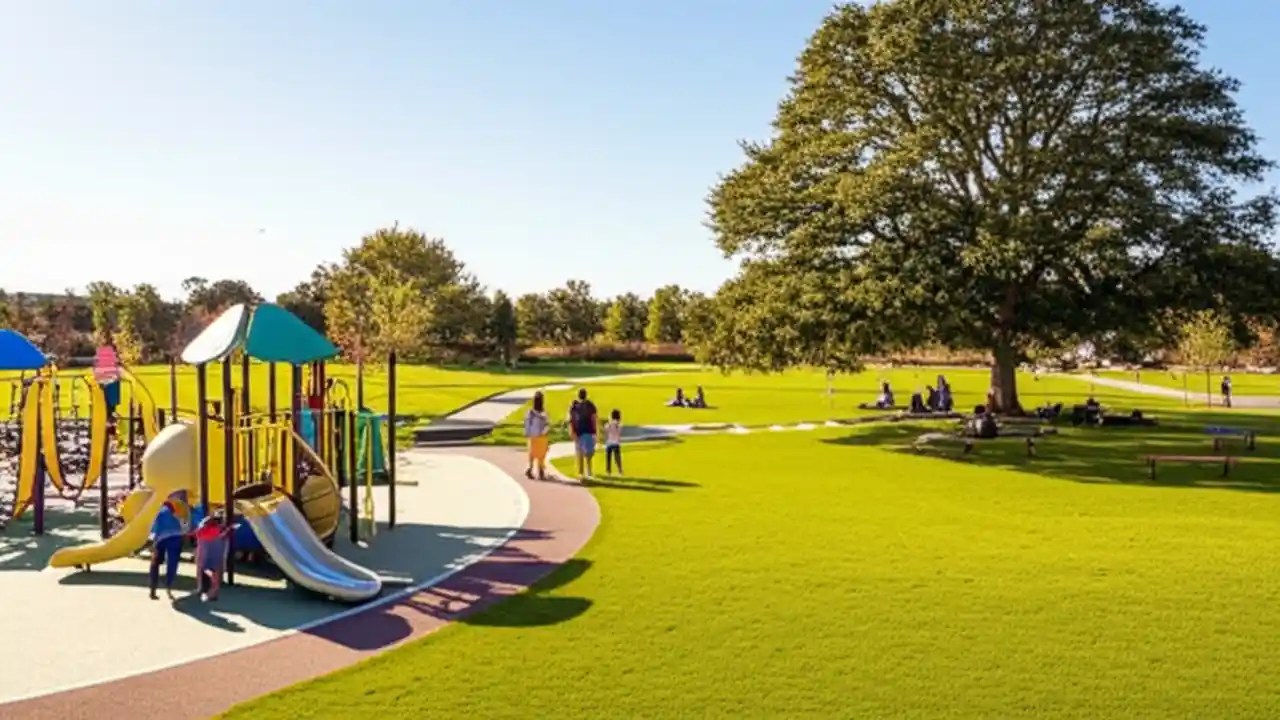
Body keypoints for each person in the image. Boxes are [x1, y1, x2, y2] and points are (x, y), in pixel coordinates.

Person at [193, 514, 236, 601]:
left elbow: (196, 534)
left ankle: (203, 590)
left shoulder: (202, 531)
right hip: (217, 556)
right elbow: (225, 538)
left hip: (203, 557)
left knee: (205, 572)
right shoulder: (220, 531)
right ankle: (214, 592)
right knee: (215, 573)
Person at [148, 498, 185, 600]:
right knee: (173, 561)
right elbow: (184, 525)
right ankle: (169, 584)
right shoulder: (177, 512)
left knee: (155, 563)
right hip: (176, 537)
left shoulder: (158, 512)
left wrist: (152, 543)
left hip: (161, 538)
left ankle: (153, 590)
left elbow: (153, 529)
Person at [568, 388, 599, 480]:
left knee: (579, 453)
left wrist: (572, 431)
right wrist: (596, 432)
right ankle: (589, 472)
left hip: (578, 432)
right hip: (589, 431)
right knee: (588, 453)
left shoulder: (574, 406)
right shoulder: (590, 405)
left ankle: (581, 472)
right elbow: (594, 419)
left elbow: (571, 420)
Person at [523, 391, 551, 481]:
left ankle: (530, 468)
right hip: (542, 436)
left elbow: (527, 423)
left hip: (532, 436)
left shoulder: (530, 412)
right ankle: (540, 470)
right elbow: (547, 424)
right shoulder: (544, 413)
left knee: (532, 454)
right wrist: (544, 432)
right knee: (541, 455)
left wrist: (528, 433)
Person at [604, 409, 624, 476]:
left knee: (608, 458)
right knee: (617, 458)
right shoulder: (619, 425)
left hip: (609, 443)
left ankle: (608, 471)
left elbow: (606, 433)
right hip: (616, 443)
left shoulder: (608, 425)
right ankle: (620, 470)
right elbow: (619, 434)